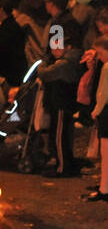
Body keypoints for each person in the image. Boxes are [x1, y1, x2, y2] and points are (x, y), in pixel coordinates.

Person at [38, 36, 83, 178]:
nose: (55, 51)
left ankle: (62, 168)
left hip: (61, 104)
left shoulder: (64, 64)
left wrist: (43, 63)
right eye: (53, 48)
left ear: (67, 47)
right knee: (62, 136)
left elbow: (44, 73)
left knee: (59, 137)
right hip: (61, 103)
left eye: (58, 48)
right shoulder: (67, 61)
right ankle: (66, 165)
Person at [83, 37, 108, 202]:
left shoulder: (107, 67)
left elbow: (103, 93)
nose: (99, 57)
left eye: (100, 53)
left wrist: (96, 110)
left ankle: (104, 189)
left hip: (106, 112)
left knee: (105, 152)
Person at [0, 0, 28, 87]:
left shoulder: (8, 29)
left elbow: (0, 49)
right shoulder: (11, 26)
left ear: (1, 10)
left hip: (10, 73)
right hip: (13, 70)